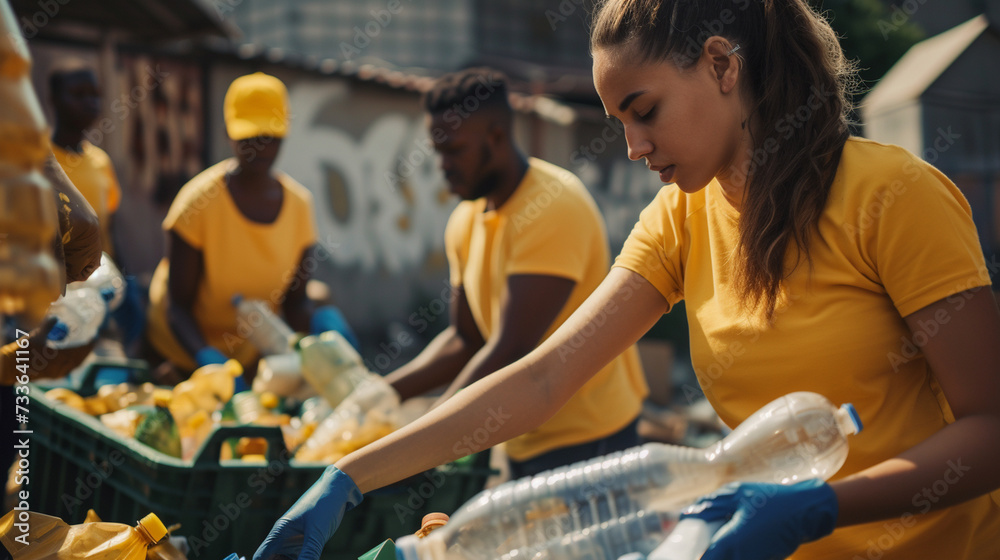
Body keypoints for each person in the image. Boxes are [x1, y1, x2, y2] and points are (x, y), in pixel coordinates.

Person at [254, 1, 1000, 559]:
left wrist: (821, 507)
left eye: (645, 112)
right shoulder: (681, 217)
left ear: (721, 65)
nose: (635, 146)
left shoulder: (894, 198)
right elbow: (543, 378)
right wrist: (352, 476)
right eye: (620, 121)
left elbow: (990, 429)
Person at [383, 68, 648, 478]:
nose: (443, 165)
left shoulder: (552, 205)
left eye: (454, 150)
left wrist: (420, 440)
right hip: (523, 431)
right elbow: (466, 339)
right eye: (437, 151)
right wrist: (380, 395)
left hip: (590, 439)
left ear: (495, 137)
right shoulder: (465, 219)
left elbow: (510, 348)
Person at [144, 72, 356, 382]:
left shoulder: (299, 206)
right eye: (248, 137)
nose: (259, 147)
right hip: (176, 351)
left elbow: (294, 302)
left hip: (244, 355)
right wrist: (207, 361)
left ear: (284, 135)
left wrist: (321, 343)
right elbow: (178, 308)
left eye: (269, 137)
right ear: (227, 133)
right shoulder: (198, 203)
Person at [49, 61, 122, 259]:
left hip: (98, 282)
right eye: (79, 94)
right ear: (54, 99)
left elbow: (108, 231)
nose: (90, 101)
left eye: (95, 94)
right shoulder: (37, 159)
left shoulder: (101, 161)